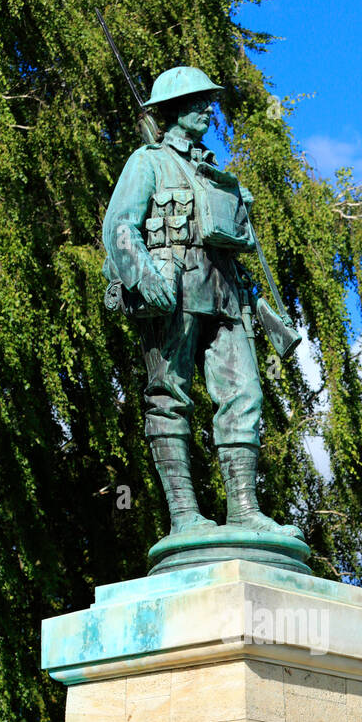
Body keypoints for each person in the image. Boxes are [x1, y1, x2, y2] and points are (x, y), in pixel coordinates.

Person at [102, 66, 301, 539]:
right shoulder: (147, 162)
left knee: (245, 395)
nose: (206, 109)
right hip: (172, 292)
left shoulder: (216, 173)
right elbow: (119, 226)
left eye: (207, 101)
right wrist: (143, 274)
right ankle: (185, 516)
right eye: (196, 102)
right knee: (168, 396)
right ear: (171, 112)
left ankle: (245, 509)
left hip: (226, 296)